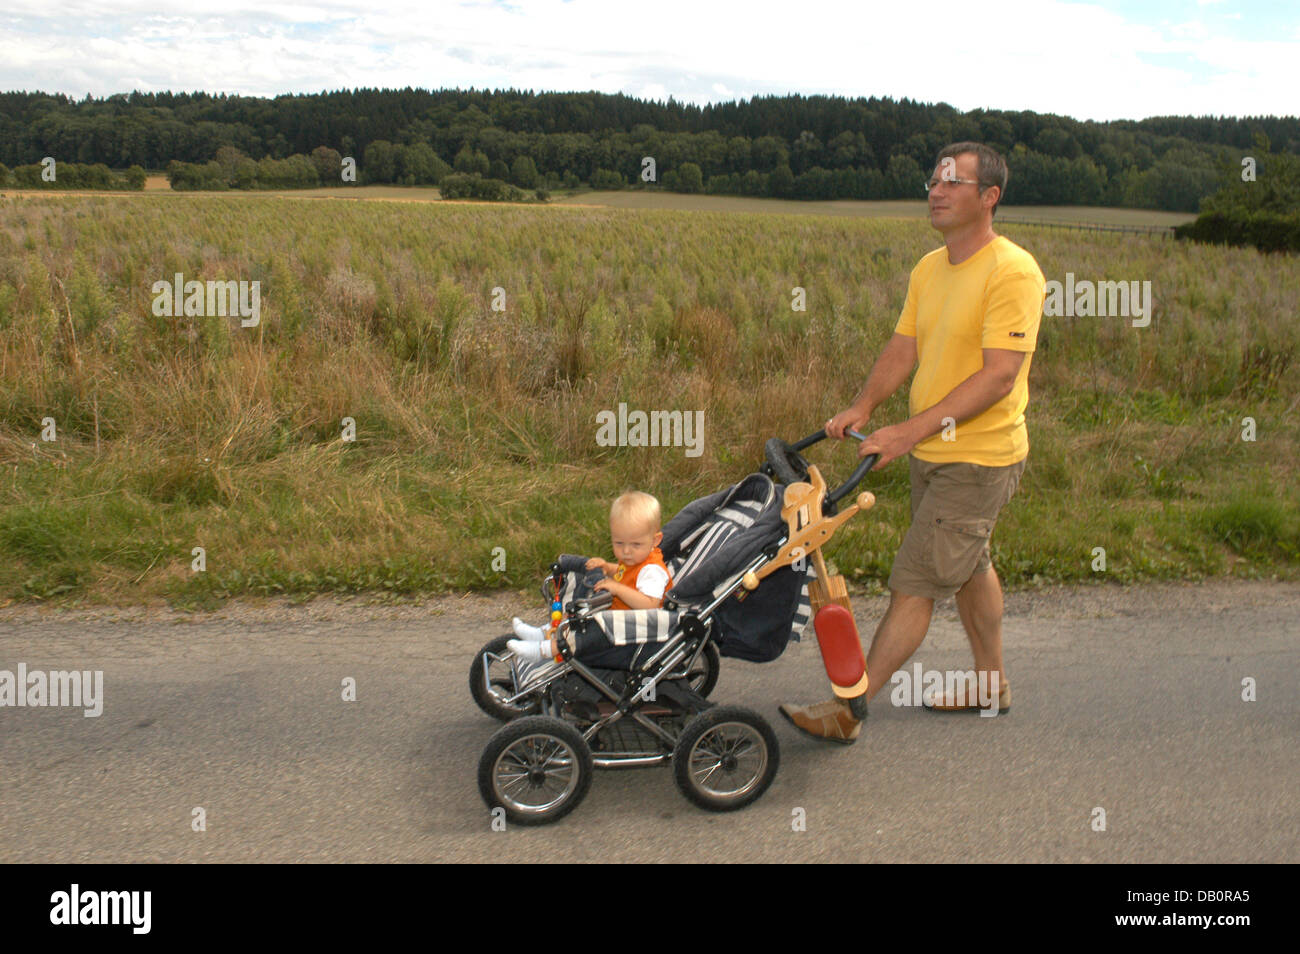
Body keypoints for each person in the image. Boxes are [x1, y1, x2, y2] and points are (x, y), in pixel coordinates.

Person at [779, 141, 1046, 743]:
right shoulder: (930, 267)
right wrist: (864, 407)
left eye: (953, 183)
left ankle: (851, 708)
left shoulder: (1013, 271)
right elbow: (906, 346)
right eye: (933, 180)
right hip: (936, 452)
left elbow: (1000, 376)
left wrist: (909, 430)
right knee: (972, 564)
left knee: (915, 581)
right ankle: (991, 684)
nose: (937, 191)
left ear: (989, 197)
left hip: (978, 458)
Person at [509, 491, 672, 662]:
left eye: (635, 544)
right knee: (581, 612)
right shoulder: (638, 559)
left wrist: (617, 588)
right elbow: (628, 575)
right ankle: (545, 633)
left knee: (588, 628)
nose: (626, 551)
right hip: (621, 617)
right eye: (619, 543)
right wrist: (607, 567)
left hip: (638, 631)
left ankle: (544, 651)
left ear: (655, 540)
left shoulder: (652, 570)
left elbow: (650, 604)